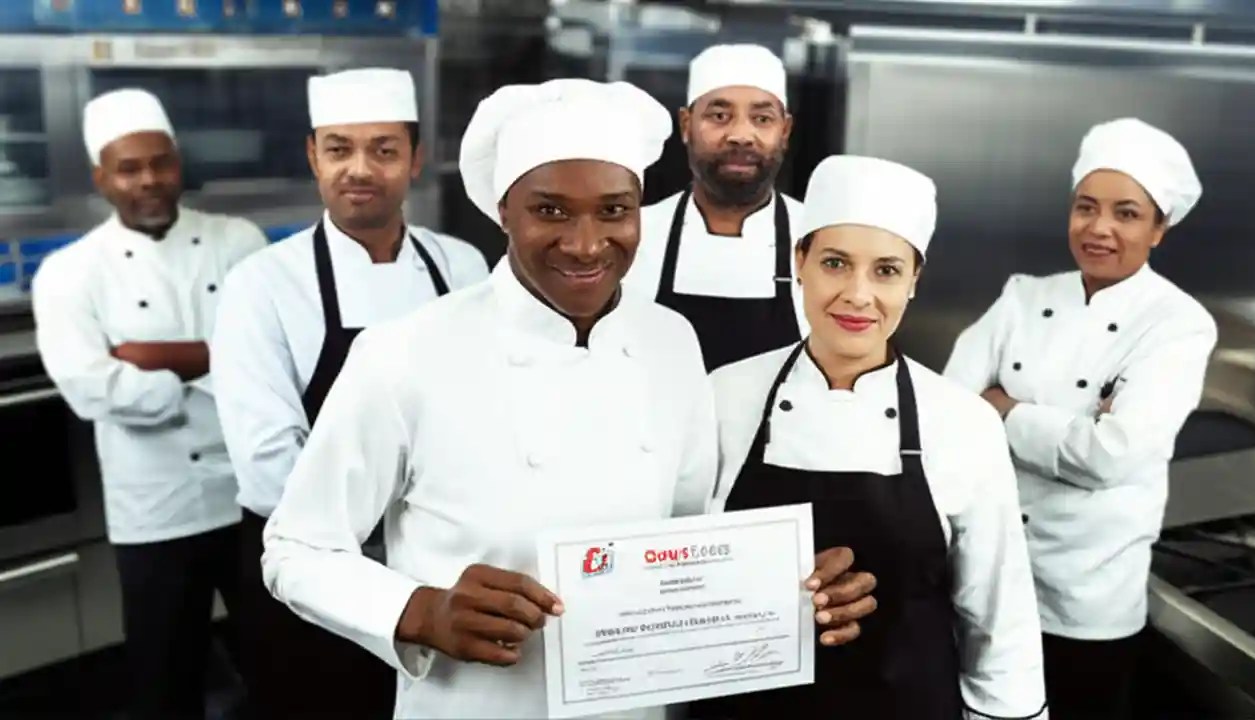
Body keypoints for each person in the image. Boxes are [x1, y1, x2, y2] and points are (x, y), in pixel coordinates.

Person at [259, 78, 872, 719]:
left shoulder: (669, 340)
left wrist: (789, 589)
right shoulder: (406, 354)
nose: (585, 244)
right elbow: (298, 548)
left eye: (614, 210)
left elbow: (687, 538)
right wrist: (418, 611)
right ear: (504, 211)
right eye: (550, 210)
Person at [692, 155, 1047, 720]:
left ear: (913, 281)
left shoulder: (961, 421)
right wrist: (769, 591)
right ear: (799, 262)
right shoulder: (724, 396)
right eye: (835, 263)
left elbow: (998, 622)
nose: (858, 295)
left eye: (886, 270)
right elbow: (678, 573)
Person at [209, 67, 489, 719]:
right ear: (314, 156)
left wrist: (435, 535)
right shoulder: (261, 285)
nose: (359, 168)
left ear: (415, 159)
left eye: (384, 149)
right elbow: (266, 460)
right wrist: (399, 536)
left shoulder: (462, 266)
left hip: (441, 565)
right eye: (339, 148)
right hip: (316, 571)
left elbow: (486, 411)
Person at [943, 117, 1217, 720]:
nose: (1099, 228)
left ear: (1159, 229)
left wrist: (1003, 408)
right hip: (984, 577)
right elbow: (947, 415)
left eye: (1126, 213)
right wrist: (1068, 429)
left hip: (1085, 604)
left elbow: (1109, 456)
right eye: (1086, 207)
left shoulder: (1178, 325)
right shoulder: (1022, 296)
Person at [31, 87, 267, 720]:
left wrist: (155, 357)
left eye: (161, 162)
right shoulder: (69, 273)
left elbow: (271, 356)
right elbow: (91, 386)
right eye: (129, 168)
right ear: (101, 178)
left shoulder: (238, 241)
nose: (149, 180)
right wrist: (214, 364)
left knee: (279, 662)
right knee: (165, 678)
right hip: (154, 507)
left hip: (251, 493)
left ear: (178, 162)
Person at [626, 43, 807, 372]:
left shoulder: (819, 240)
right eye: (720, 116)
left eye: (762, 118)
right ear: (686, 125)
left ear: (785, 131)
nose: (741, 135)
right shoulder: (632, 237)